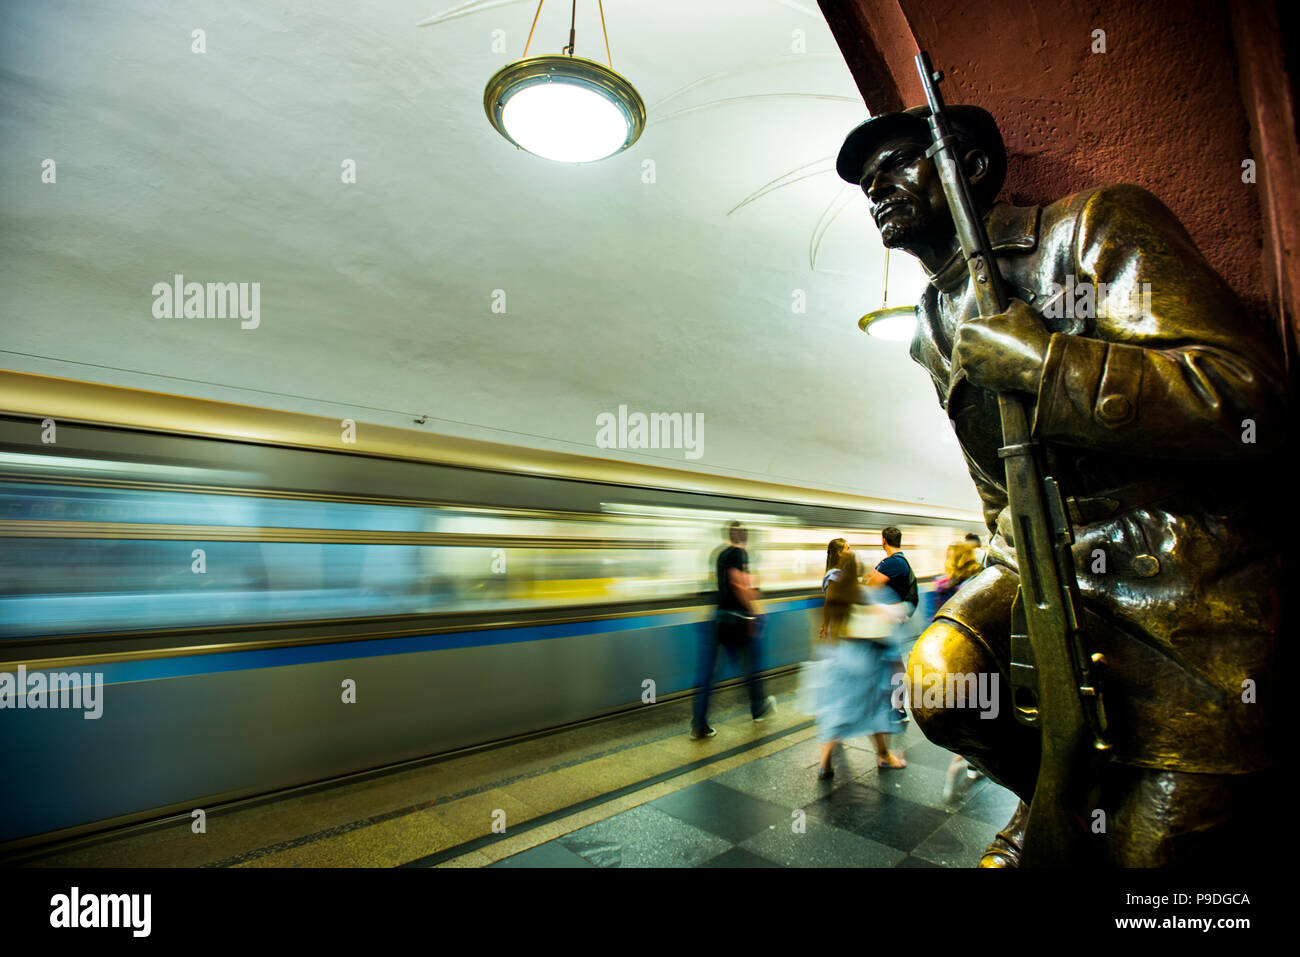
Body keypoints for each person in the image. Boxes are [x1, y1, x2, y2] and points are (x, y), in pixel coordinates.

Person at [837, 102, 1286, 865]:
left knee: (1152, 866)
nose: (878, 188)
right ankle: (1056, 797)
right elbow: (996, 486)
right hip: (1044, 565)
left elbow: (1246, 397)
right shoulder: (928, 325)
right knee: (940, 681)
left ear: (969, 168)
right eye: (867, 182)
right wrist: (1001, 557)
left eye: (898, 164)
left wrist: (1051, 368)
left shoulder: (1092, 230)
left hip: (1179, 585)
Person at [816, 550, 906, 778]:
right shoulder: (866, 594)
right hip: (867, 662)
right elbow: (886, 624)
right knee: (876, 710)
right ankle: (885, 756)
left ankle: (824, 764)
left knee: (838, 712)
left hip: (840, 660)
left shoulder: (837, 594)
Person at [690, 522, 776, 739]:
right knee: (752, 665)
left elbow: (721, 584)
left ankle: (699, 723)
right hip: (737, 620)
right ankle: (758, 708)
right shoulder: (739, 553)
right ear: (744, 538)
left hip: (718, 618)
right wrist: (755, 610)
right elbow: (738, 584)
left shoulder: (719, 554)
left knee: (708, 675)